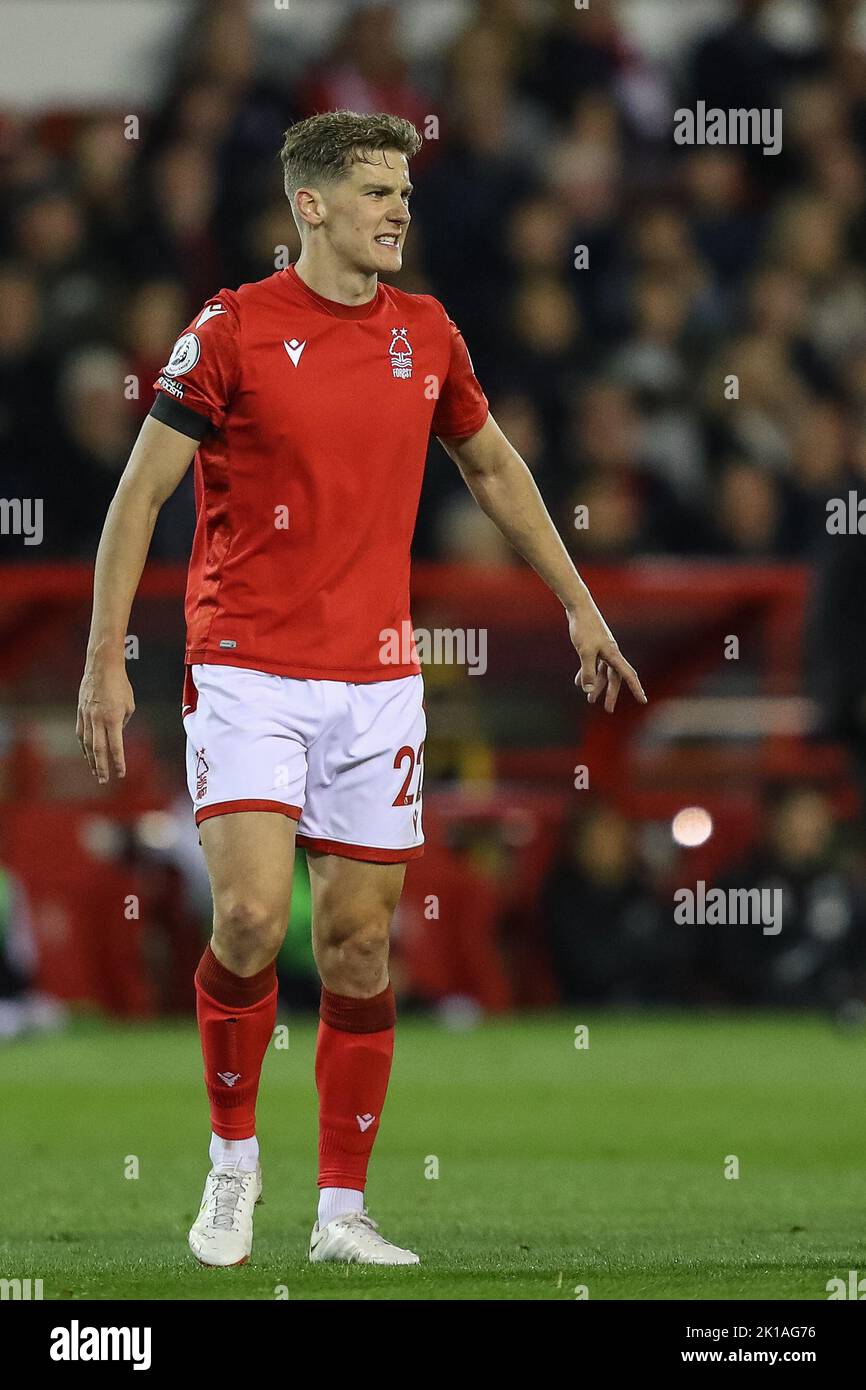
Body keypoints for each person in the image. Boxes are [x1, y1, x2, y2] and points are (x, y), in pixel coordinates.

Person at [76, 110, 646, 1269]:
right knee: (245, 913)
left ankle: (341, 1211)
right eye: (377, 190)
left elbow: (490, 466)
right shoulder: (230, 330)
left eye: (404, 190)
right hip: (243, 665)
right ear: (312, 206)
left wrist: (578, 599)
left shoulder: (426, 334)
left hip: (377, 681)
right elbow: (139, 495)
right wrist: (102, 660)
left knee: (356, 949)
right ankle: (232, 1165)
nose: (398, 209)